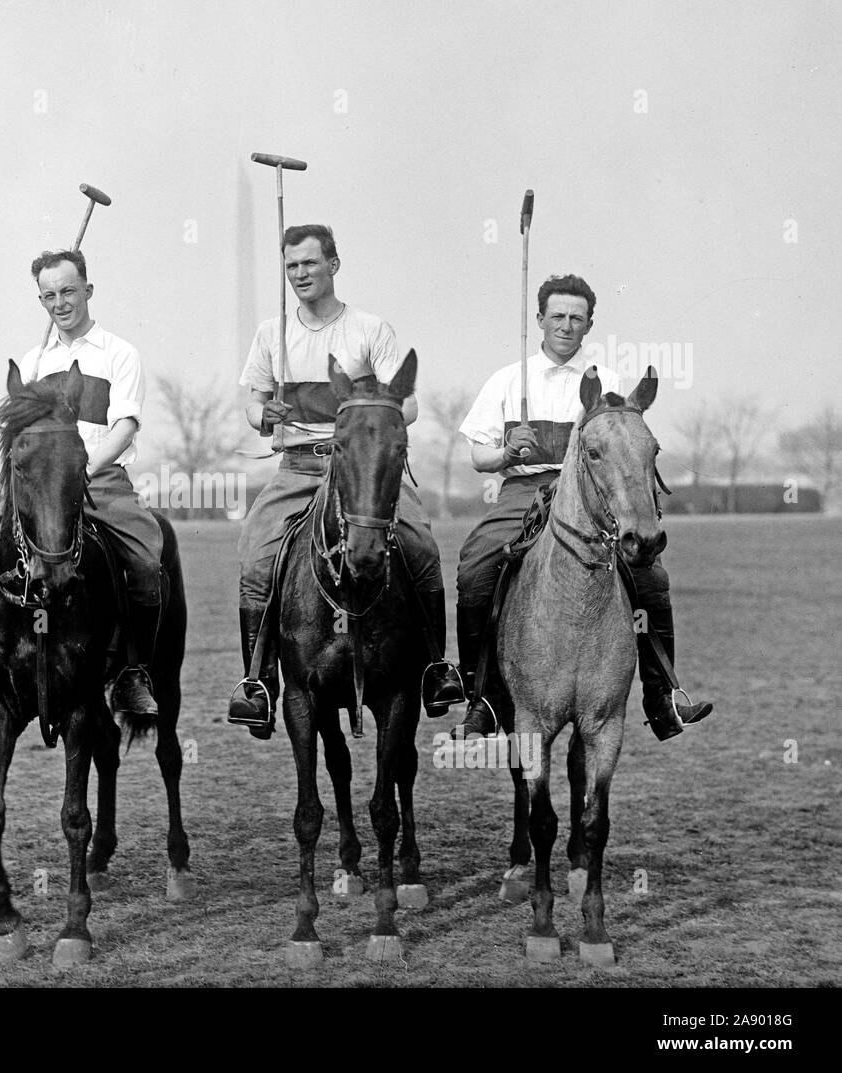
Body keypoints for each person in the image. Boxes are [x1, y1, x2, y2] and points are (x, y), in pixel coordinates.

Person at [451, 272, 713, 741]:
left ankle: (663, 696)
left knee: (651, 577)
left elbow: (622, 452)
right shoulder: (509, 380)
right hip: (522, 492)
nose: (566, 326)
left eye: (577, 318)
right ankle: (484, 696)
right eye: (557, 316)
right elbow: (478, 456)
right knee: (475, 569)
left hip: (588, 496)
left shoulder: (606, 382)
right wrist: (507, 453)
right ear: (539, 320)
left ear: (589, 325)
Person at [226, 224, 464, 739]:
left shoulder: (370, 330)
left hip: (365, 472)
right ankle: (259, 683)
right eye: (291, 266)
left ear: (334, 264)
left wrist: (373, 416)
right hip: (299, 469)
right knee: (254, 557)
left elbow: (408, 403)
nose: (300, 274)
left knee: (421, 545)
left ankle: (435, 670)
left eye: (310, 263)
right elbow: (250, 405)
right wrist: (264, 412)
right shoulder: (272, 334)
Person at [0, 249, 163, 720]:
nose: (61, 303)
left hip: (102, 481)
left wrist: (80, 472)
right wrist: (0, 488)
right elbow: (16, 445)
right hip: (37, 489)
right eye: (49, 295)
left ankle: (132, 673)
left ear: (88, 291)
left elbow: (124, 427)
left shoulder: (120, 353)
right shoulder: (34, 361)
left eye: (69, 292)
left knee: (145, 558)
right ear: (41, 300)